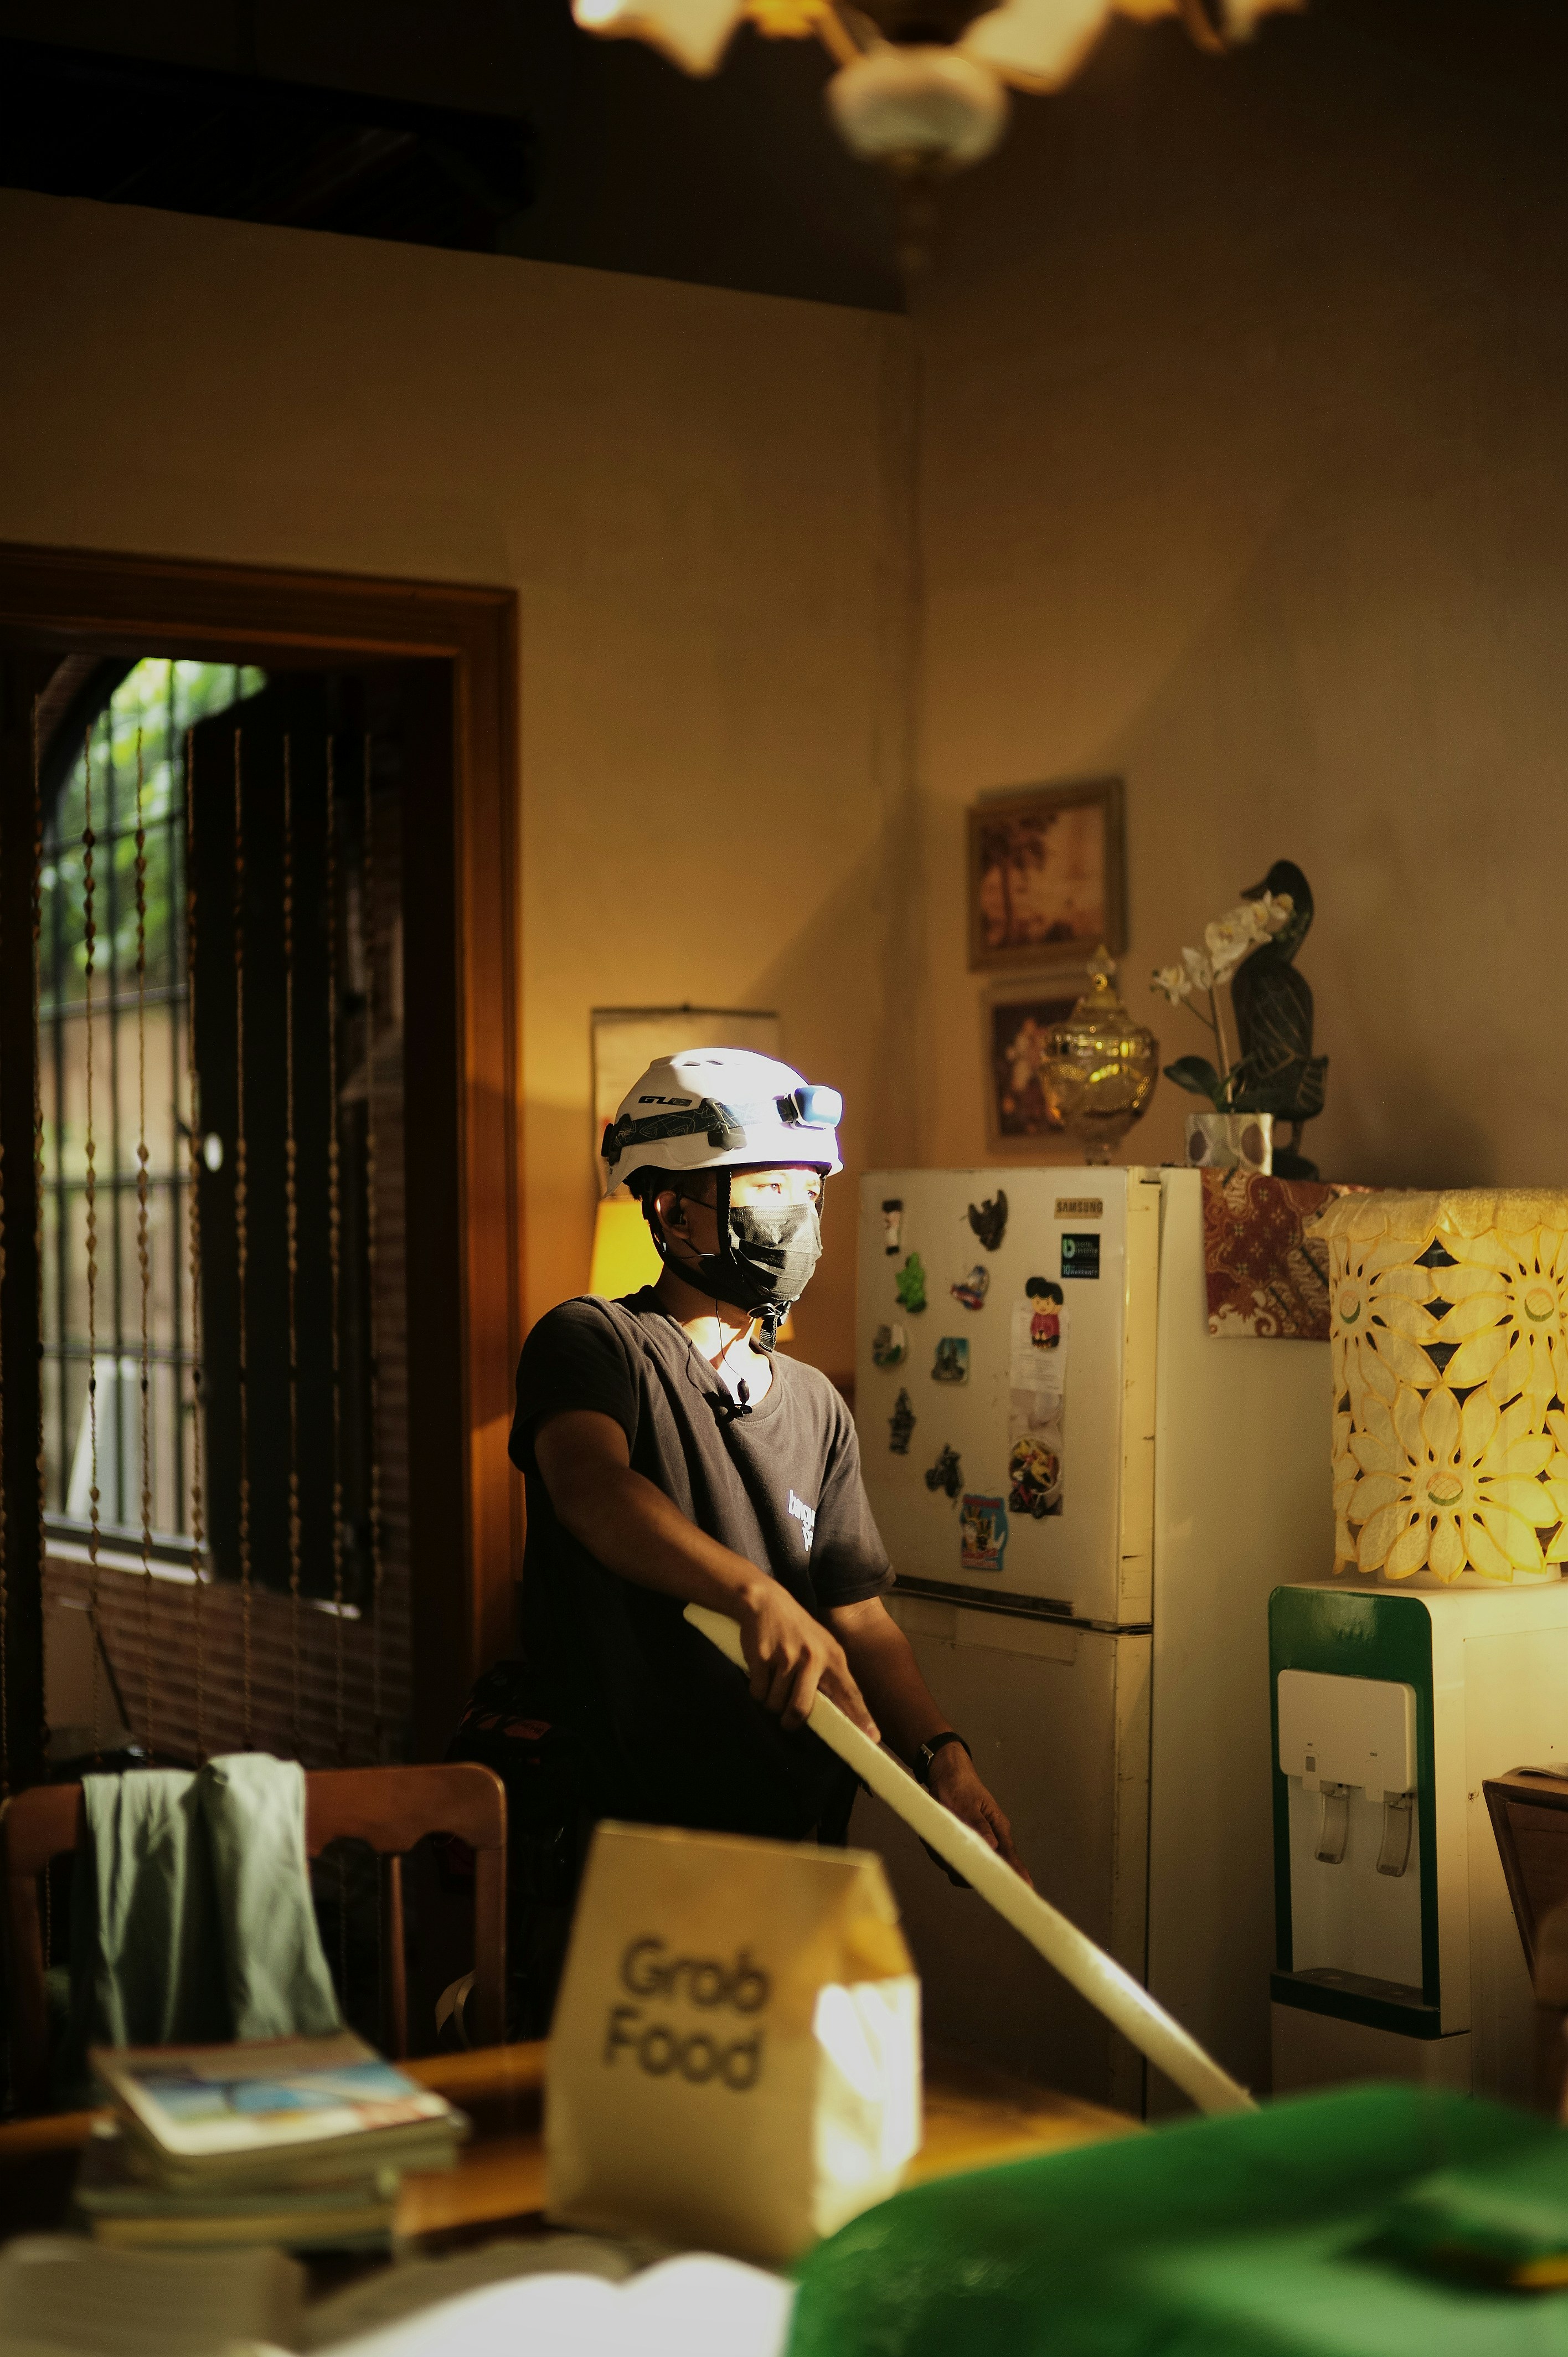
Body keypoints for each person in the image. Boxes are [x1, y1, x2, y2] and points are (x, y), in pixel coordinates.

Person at [500, 1048, 1027, 1954]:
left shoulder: (818, 1406)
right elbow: (592, 1490)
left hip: (794, 1853)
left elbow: (858, 1619)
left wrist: (943, 1757)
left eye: (811, 1199)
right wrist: (754, 1596)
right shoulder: (595, 1343)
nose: (802, 1225)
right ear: (672, 1208)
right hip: (632, 1853)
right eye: (772, 1194)